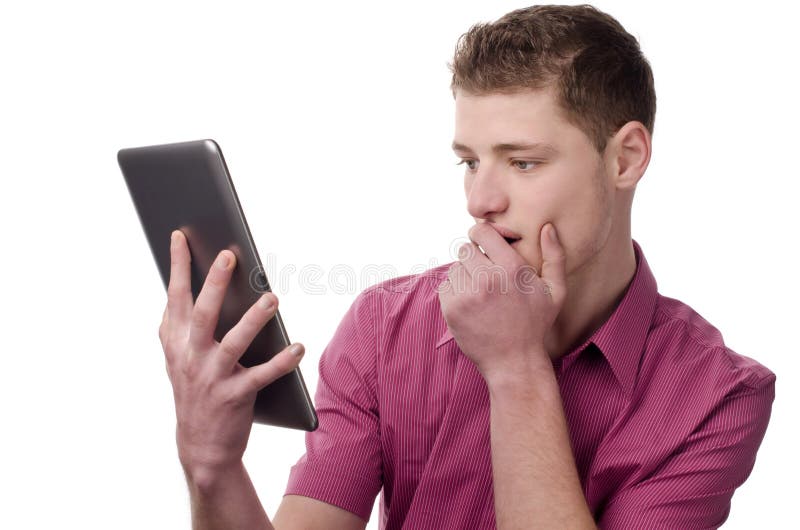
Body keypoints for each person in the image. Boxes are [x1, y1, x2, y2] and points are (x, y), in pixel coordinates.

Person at [158, 4, 776, 529]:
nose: (481, 201)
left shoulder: (718, 397)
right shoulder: (384, 326)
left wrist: (513, 365)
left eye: (523, 162)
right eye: (470, 162)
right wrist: (212, 464)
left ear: (626, 159)